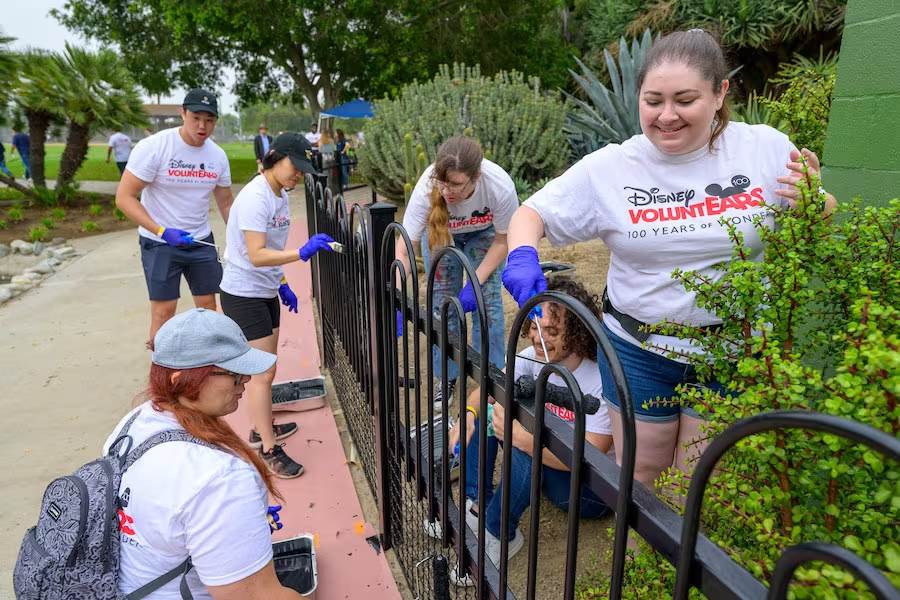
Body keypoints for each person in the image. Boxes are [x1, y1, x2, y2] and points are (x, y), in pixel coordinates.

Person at [500, 29, 837, 492]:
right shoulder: (613, 167)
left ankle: (683, 566)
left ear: (720, 94)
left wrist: (811, 204)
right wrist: (521, 254)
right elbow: (531, 213)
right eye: (653, 100)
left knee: (700, 480)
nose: (667, 115)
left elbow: (822, 212)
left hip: (731, 350)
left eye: (684, 99)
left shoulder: (764, 149)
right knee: (640, 472)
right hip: (639, 350)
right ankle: (641, 564)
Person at [103, 308, 308, 599]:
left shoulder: (134, 422)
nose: (245, 381)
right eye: (233, 374)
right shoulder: (217, 477)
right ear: (180, 379)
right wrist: (231, 508)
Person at [442, 277, 612, 585]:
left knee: (522, 442)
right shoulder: (531, 358)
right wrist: (468, 414)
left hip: (586, 490)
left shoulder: (598, 378)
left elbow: (591, 456)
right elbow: (488, 390)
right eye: (535, 327)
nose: (539, 339)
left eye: (552, 331)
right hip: (546, 468)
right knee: (491, 413)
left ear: (576, 334)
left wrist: (524, 439)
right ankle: (474, 500)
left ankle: (499, 532)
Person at [220, 132, 336, 478]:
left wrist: (282, 283)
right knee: (262, 373)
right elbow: (256, 254)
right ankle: (267, 448)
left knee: (266, 367)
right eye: (293, 166)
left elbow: (270, 249)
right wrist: (300, 254)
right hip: (244, 293)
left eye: (301, 169)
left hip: (265, 290)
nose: (297, 175)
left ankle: (261, 426)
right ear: (275, 158)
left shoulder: (279, 195)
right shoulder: (256, 198)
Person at [396, 135, 517, 408]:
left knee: (488, 304)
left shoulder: (498, 186)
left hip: (484, 236)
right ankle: (446, 376)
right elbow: (403, 248)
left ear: (476, 177)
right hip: (442, 232)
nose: (448, 191)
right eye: (444, 183)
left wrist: (475, 283)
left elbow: (503, 239)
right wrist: (399, 294)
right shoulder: (428, 187)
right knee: (442, 307)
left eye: (457, 185)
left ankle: (494, 373)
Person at [115, 88, 234, 350]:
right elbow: (124, 197)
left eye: (209, 120)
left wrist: (241, 239)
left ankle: (208, 366)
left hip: (199, 240)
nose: (202, 126)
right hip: (160, 242)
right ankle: (160, 376)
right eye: (196, 117)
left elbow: (225, 202)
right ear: (182, 113)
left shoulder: (217, 156)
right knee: (164, 311)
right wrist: (161, 230)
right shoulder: (155, 147)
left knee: (208, 306)